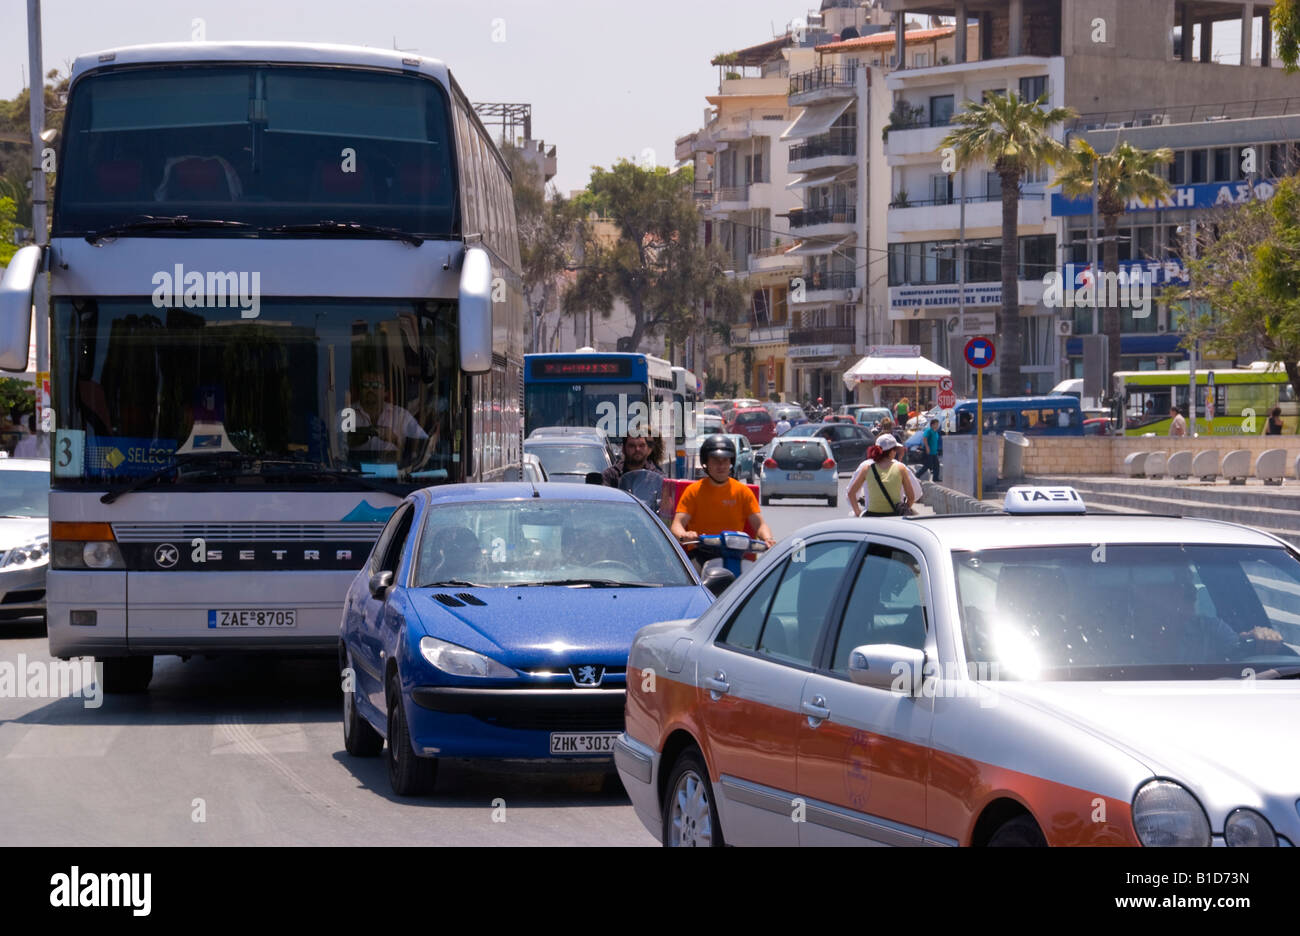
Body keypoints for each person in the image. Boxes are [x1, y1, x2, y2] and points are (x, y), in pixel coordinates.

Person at [670, 435, 775, 565]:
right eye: (715, 460)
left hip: (735, 555)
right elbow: (677, 524)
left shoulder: (742, 492)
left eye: (725, 460)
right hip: (700, 556)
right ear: (706, 462)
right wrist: (684, 535)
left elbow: (759, 524)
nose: (721, 465)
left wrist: (768, 539)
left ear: (731, 462)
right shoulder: (693, 491)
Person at [350, 368, 429, 455]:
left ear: (386, 392)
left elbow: (423, 445)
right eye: (365, 385)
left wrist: (395, 439)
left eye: (376, 385)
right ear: (360, 390)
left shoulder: (401, 415)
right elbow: (337, 445)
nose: (370, 389)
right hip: (351, 468)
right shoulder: (346, 414)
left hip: (394, 467)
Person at [847, 434, 922, 518]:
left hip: (871, 516)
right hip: (895, 516)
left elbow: (851, 493)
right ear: (891, 452)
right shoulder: (901, 468)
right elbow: (912, 497)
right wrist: (903, 509)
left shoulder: (866, 468)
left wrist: (858, 513)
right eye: (895, 450)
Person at [922, 417, 942, 483]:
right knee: (928, 465)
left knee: (936, 465)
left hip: (934, 452)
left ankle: (935, 478)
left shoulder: (935, 432)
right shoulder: (929, 431)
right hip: (929, 451)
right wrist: (927, 447)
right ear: (932, 425)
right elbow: (924, 439)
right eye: (936, 424)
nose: (937, 425)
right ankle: (917, 475)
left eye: (938, 424)